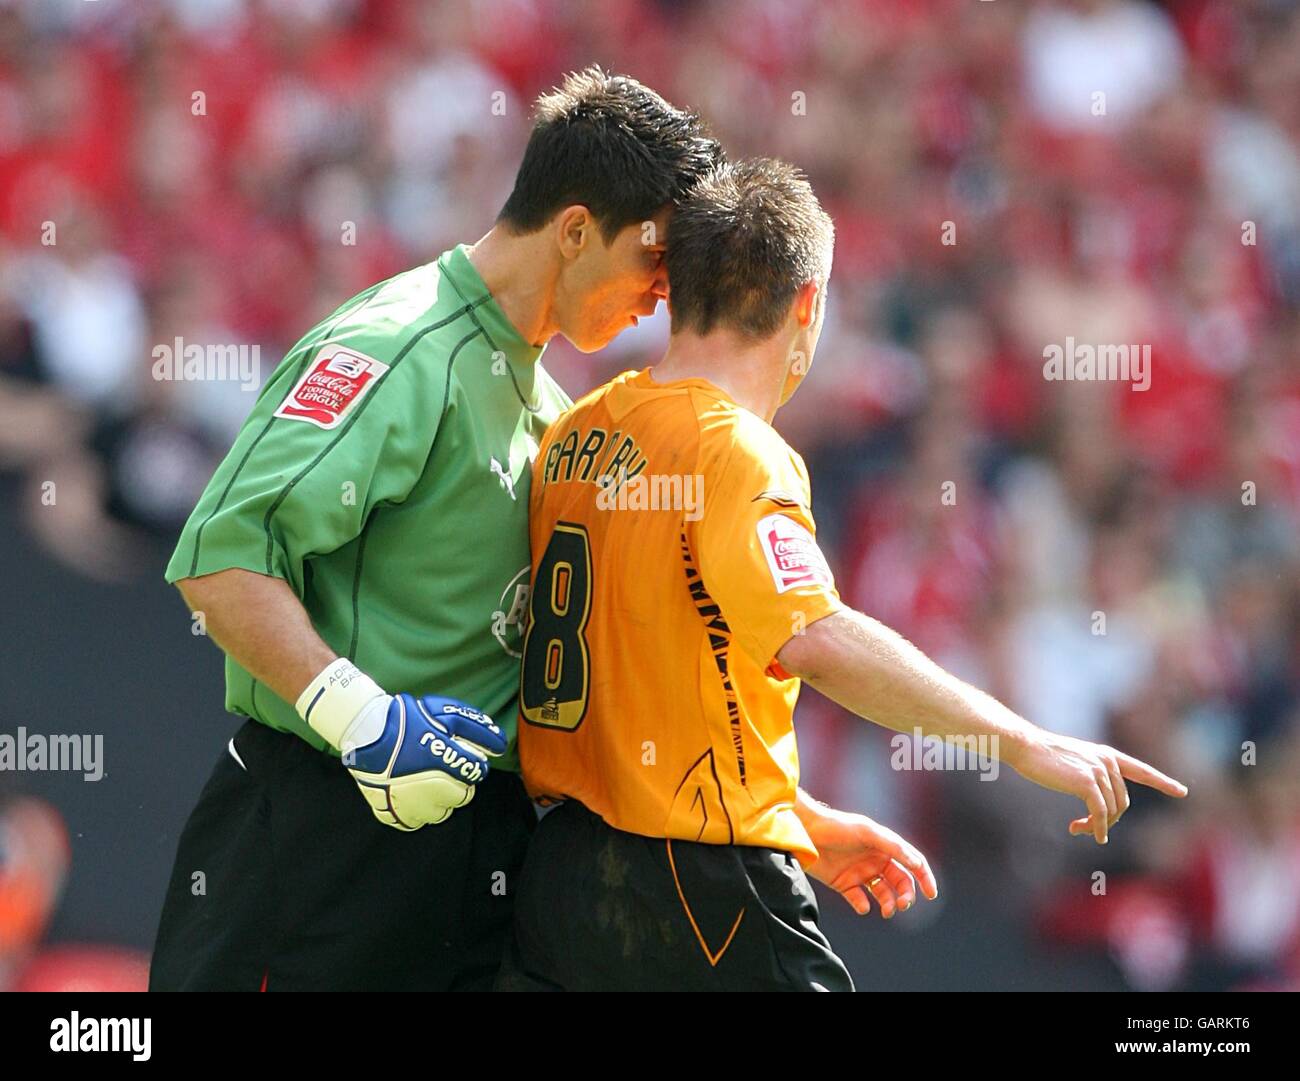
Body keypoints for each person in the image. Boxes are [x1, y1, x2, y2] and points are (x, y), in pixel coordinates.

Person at [500, 158, 1188, 991]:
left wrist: (796, 816)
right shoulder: (736, 451)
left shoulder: (578, 428)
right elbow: (817, 639)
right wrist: (1023, 738)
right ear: (807, 305)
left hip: (558, 874)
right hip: (700, 883)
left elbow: (651, 676)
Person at [149, 68, 723, 992]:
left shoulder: (550, 404)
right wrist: (364, 721)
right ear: (575, 230)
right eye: (651, 264)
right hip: (317, 839)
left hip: (465, 867)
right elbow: (219, 556)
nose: (659, 298)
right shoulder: (395, 348)